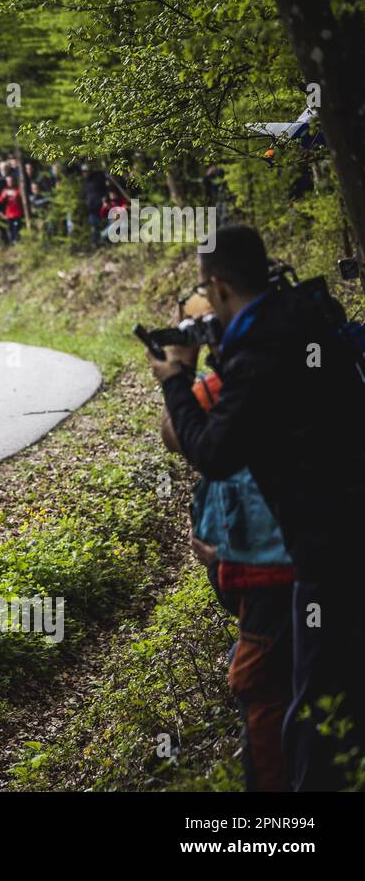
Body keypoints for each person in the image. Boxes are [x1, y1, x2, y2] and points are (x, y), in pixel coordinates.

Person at [148, 224, 365, 791]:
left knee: (307, 718)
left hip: (326, 551)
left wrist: (176, 376)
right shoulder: (298, 318)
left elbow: (211, 452)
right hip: (331, 538)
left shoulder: (264, 347)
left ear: (217, 286)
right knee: (319, 701)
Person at [161, 292, 294, 791]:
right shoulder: (292, 343)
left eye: (202, 317)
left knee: (261, 691)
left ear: (221, 291)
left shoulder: (249, 367)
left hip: (275, 574)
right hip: (293, 565)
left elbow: (181, 436)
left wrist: (179, 374)